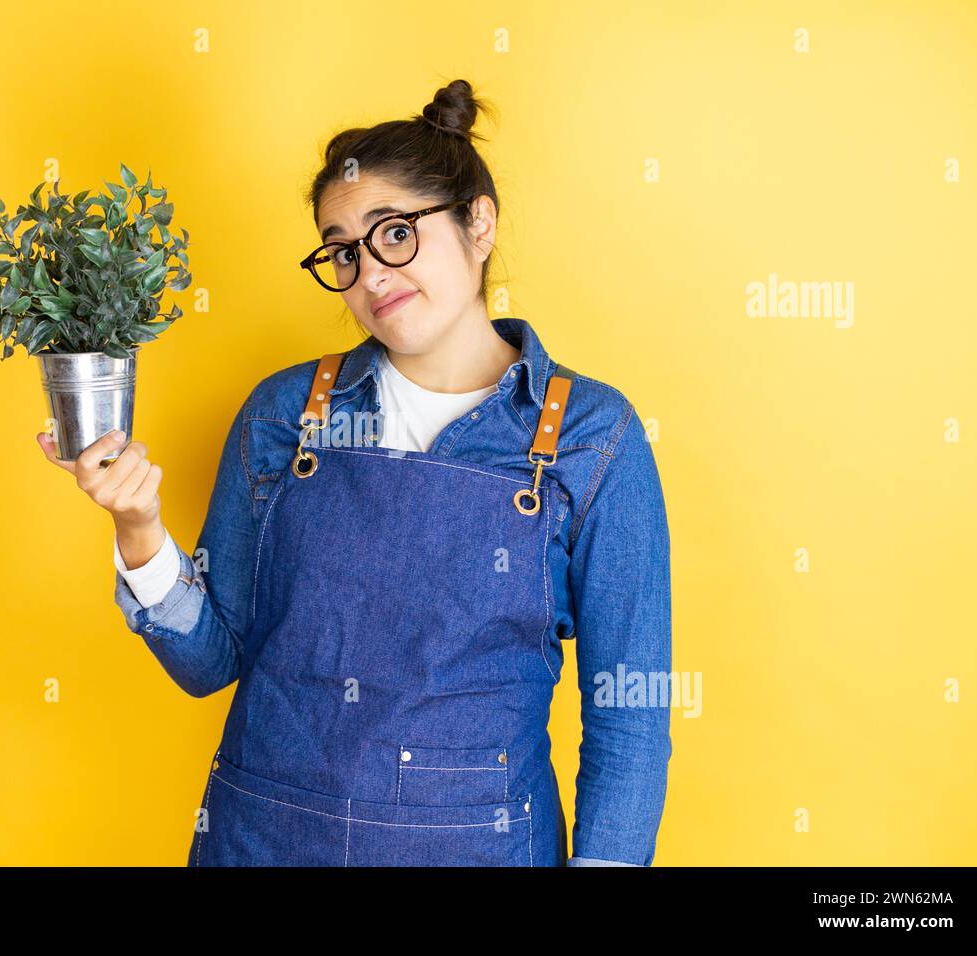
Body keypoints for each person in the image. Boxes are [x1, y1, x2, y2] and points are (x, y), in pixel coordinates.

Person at [38, 79, 672, 867]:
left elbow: (628, 719)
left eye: (395, 233)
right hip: (262, 839)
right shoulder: (283, 414)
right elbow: (209, 665)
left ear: (479, 223)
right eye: (344, 250)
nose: (370, 274)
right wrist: (138, 529)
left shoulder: (591, 438)